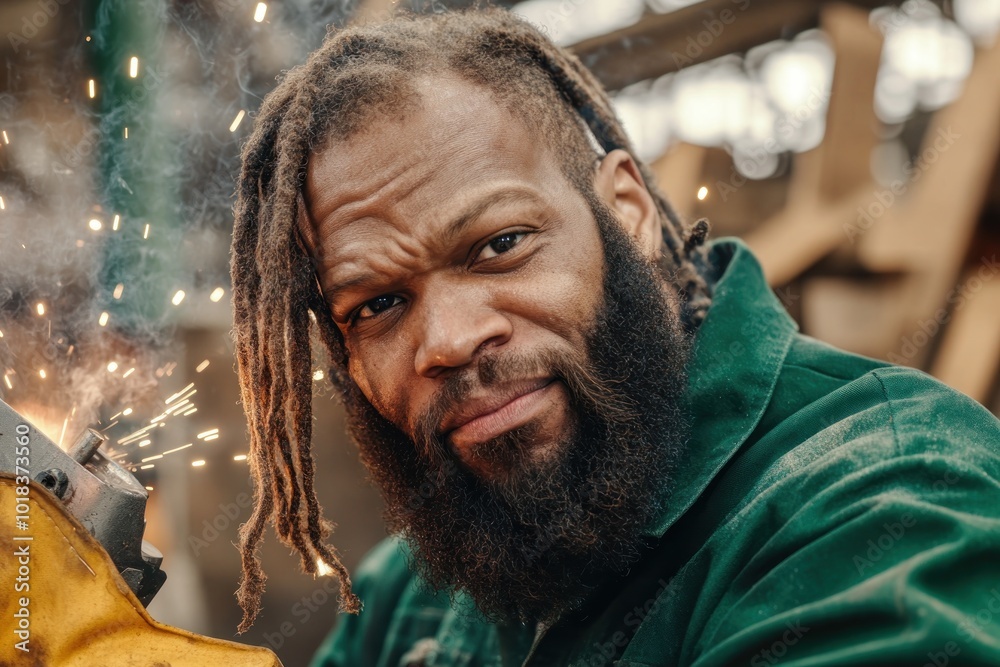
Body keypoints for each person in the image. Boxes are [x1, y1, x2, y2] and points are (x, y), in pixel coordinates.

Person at [228, 9, 1000, 666]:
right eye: (378, 304)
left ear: (626, 215)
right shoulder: (417, 589)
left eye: (500, 244)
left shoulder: (885, 500)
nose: (450, 341)